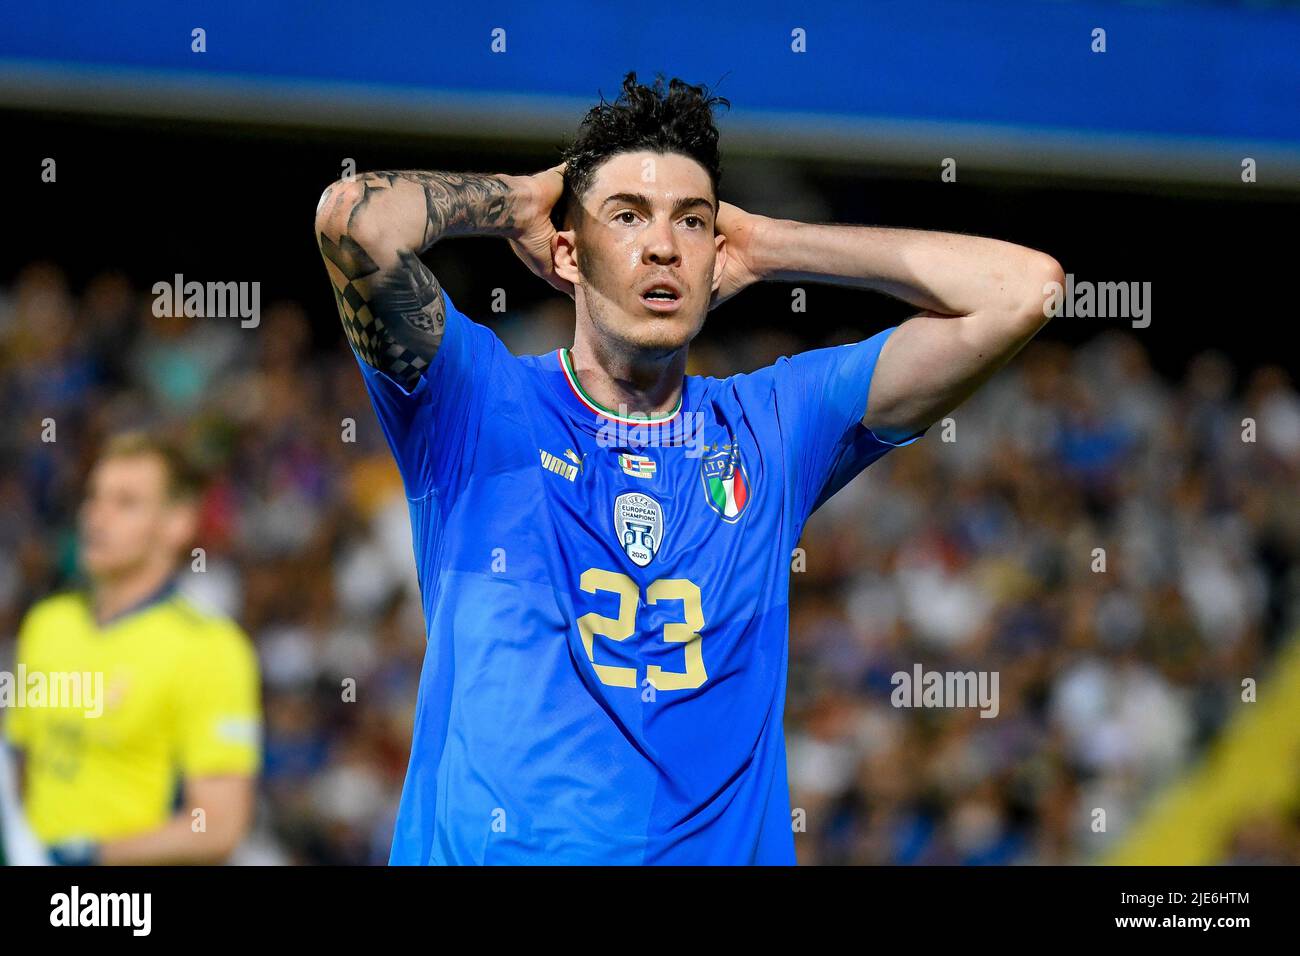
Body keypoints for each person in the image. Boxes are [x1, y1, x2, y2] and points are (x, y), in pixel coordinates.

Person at [313, 72, 1062, 864]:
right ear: (568, 250)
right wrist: (521, 201)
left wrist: (773, 244)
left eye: (692, 222)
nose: (663, 244)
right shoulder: (476, 403)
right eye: (626, 216)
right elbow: (353, 220)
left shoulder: (774, 426)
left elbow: (1025, 291)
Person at [3, 431, 261, 864]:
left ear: (177, 523)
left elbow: (218, 826)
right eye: (94, 497)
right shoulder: (47, 624)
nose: (96, 517)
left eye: (125, 502)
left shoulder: (210, 648)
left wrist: (88, 855)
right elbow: (21, 766)